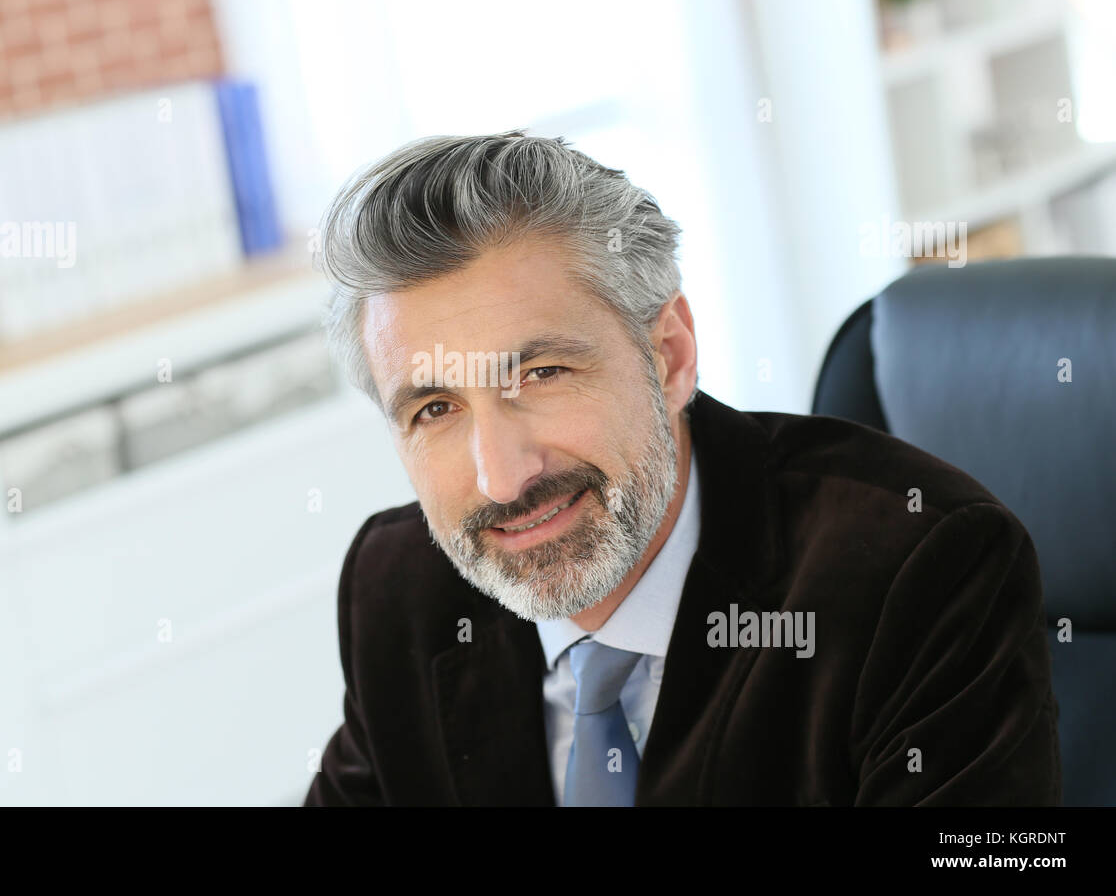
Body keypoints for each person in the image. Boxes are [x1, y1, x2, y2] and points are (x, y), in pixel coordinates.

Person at [302, 130, 1061, 806]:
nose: (503, 478)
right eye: (434, 410)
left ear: (668, 356)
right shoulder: (398, 587)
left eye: (543, 374)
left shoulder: (921, 570)